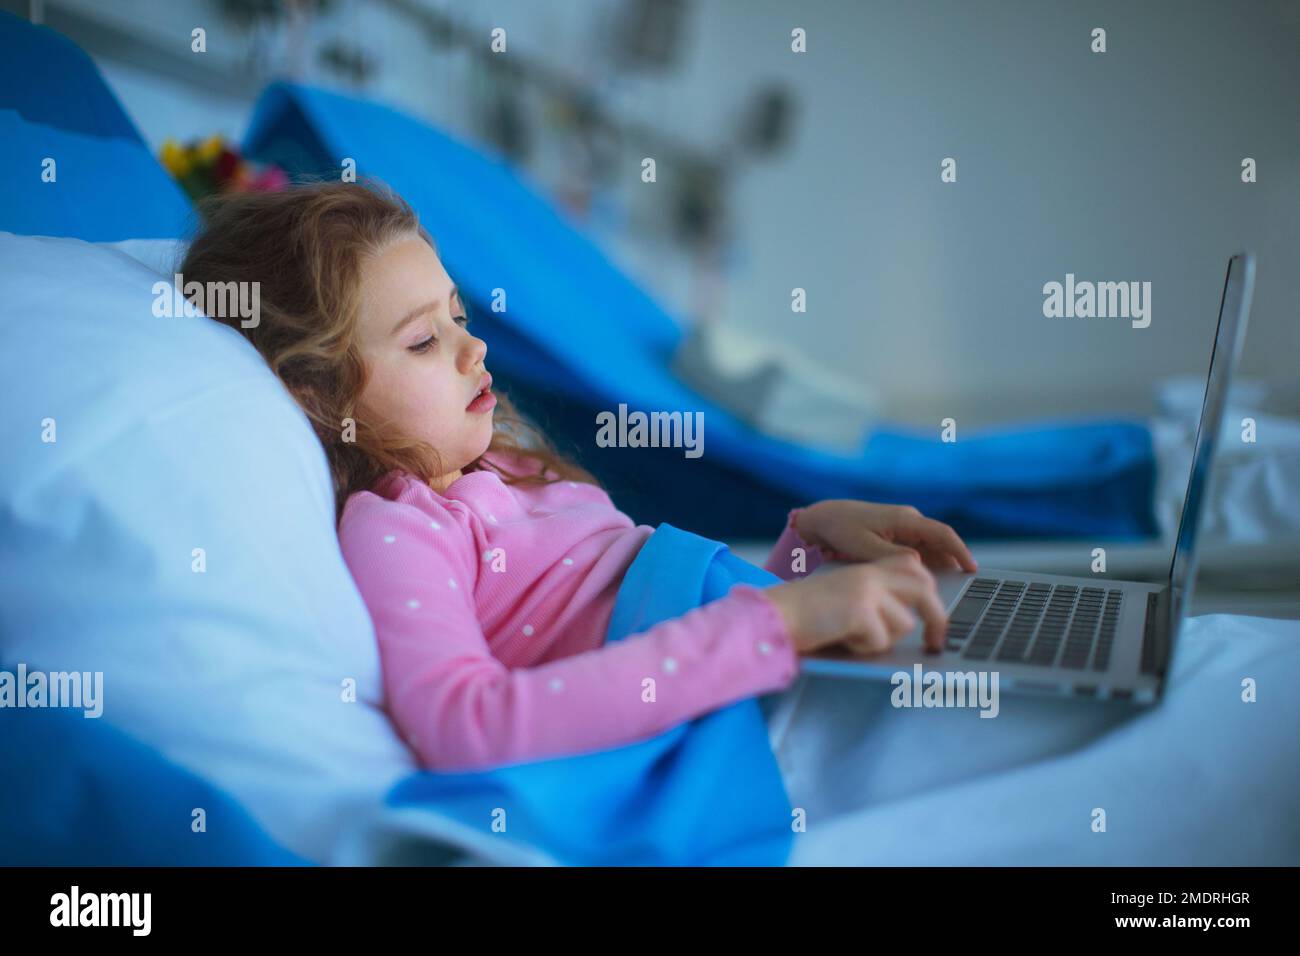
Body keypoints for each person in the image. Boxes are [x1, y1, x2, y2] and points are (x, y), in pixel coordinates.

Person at [178, 178, 978, 773]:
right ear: (318, 397)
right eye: (423, 341)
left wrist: (806, 554)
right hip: (735, 741)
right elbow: (468, 727)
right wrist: (782, 624)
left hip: (765, 682)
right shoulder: (406, 526)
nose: (473, 348)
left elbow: (649, 623)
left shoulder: (511, 469)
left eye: (458, 316)